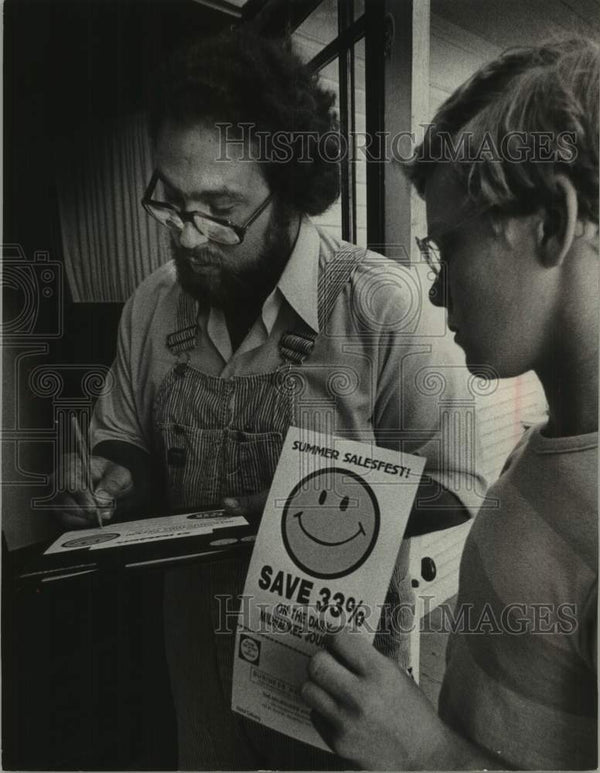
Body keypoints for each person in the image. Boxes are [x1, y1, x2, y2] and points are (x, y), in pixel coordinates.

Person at [56, 30, 485, 769]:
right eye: (171, 202)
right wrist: (111, 481)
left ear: (288, 191)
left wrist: (292, 505)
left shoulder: (379, 306)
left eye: (220, 211)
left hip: (333, 685)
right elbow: (126, 439)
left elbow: (454, 482)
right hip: (198, 673)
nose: (188, 238)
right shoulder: (151, 308)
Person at [302, 37, 598, 770]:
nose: (435, 290)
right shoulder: (549, 438)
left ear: (553, 224)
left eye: (450, 247)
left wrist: (423, 751)